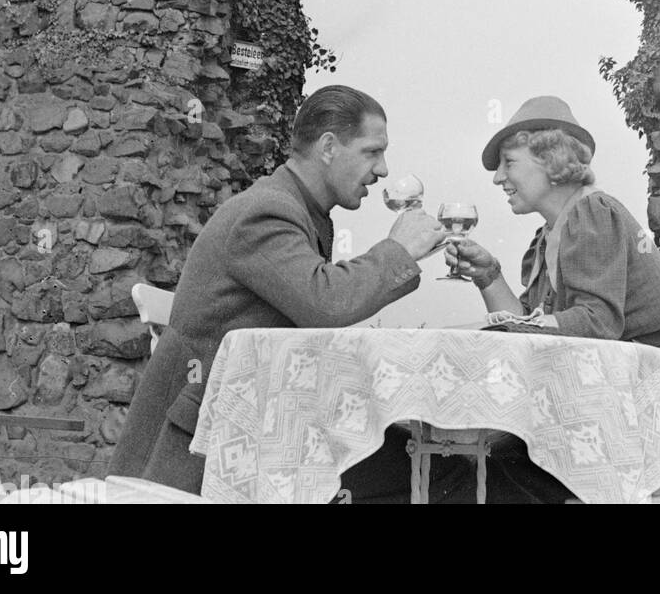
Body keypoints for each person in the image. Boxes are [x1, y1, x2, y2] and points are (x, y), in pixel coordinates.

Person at [109, 84, 459, 500]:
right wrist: (399, 251)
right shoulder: (267, 211)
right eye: (372, 152)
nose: (382, 170)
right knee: (440, 475)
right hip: (205, 451)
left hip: (256, 432)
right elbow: (326, 303)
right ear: (328, 147)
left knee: (428, 465)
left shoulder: (302, 210)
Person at [447, 95, 660, 500]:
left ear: (552, 160)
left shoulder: (594, 214)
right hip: (613, 413)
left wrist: (523, 326)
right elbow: (536, 326)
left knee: (494, 471)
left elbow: (597, 323)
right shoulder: (551, 235)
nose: (497, 179)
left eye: (509, 163)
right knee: (493, 465)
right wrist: (489, 277)